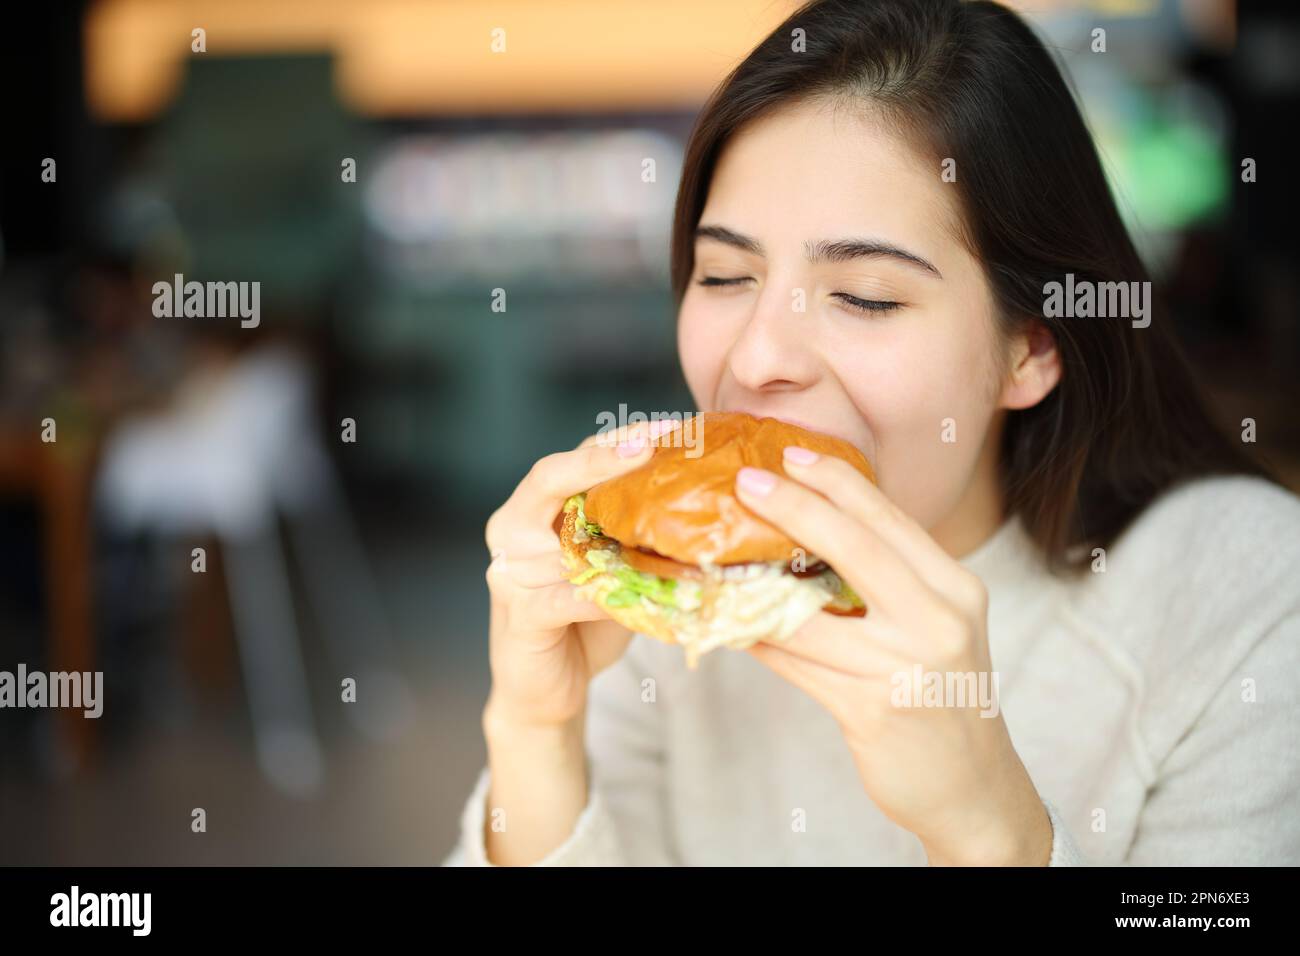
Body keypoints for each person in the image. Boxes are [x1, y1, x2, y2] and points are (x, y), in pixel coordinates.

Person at [444, 0, 1300, 865]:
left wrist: (988, 828)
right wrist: (533, 729)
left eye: (866, 296)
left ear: (1031, 347)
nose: (757, 356)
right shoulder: (670, 584)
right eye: (724, 274)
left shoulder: (1244, 592)